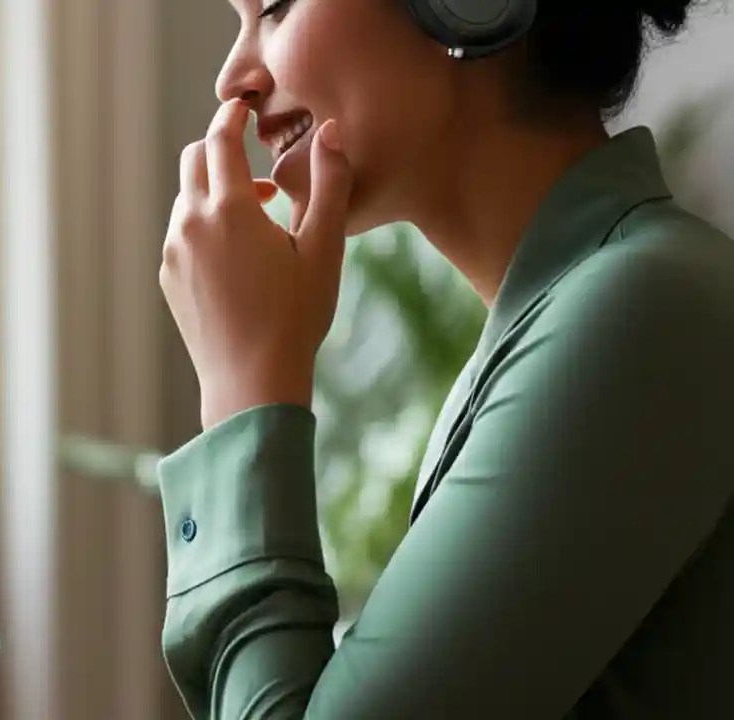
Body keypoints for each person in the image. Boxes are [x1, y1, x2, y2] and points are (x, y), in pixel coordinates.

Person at [155, 0, 734, 718]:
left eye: (275, 8)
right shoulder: (580, 312)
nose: (231, 79)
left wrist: (246, 392)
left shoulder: (646, 309)